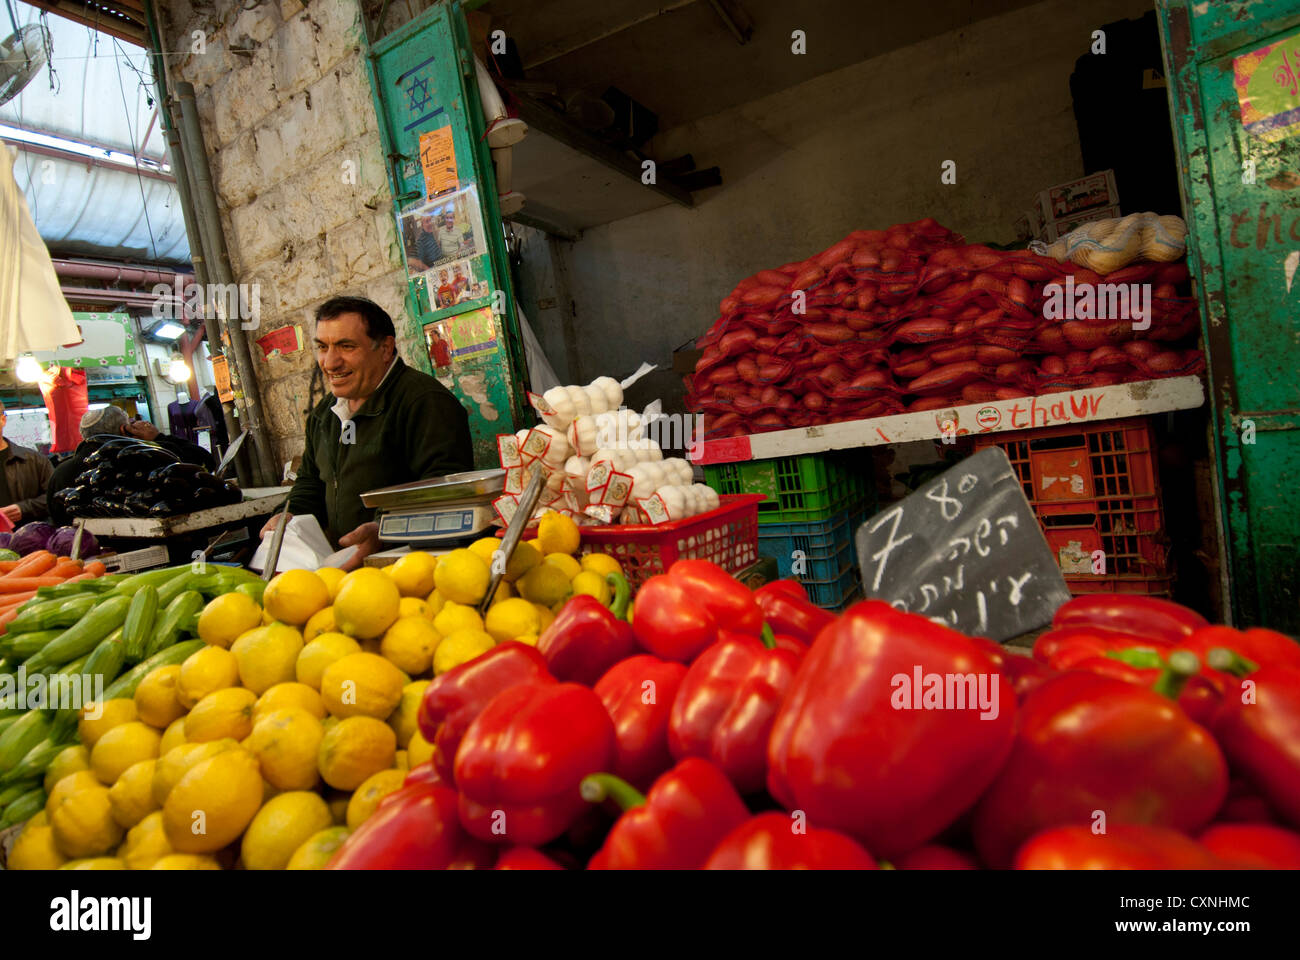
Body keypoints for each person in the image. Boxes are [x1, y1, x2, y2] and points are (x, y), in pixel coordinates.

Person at [261, 296, 473, 568]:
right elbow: (311, 483)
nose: (330, 362)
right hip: (348, 570)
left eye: (346, 346)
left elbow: (445, 488)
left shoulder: (425, 402)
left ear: (385, 349)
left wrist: (384, 531)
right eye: (323, 347)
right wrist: (287, 515)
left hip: (414, 567)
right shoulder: (324, 414)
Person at [45, 405, 215, 526]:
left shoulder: (60, 473)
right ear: (124, 430)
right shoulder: (144, 459)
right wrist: (158, 437)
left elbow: (57, 521)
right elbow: (204, 460)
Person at [0, 401, 53, 526]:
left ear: (3, 420)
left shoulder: (35, 460)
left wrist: (24, 509)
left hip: (28, 539)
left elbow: (56, 497)